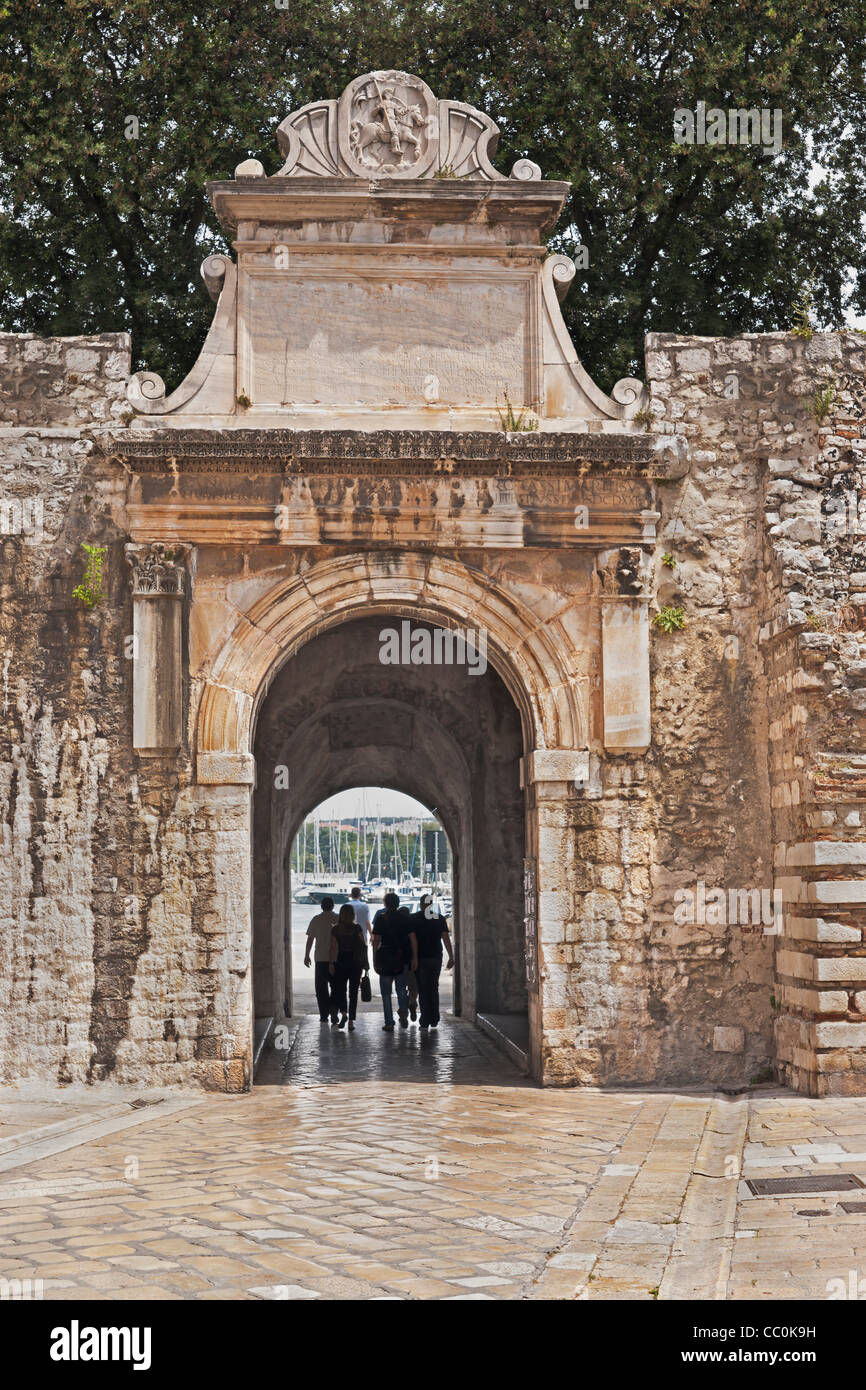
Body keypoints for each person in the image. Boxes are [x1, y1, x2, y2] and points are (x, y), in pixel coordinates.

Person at [371, 892, 417, 1031]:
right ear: (398, 903)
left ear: (385, 904)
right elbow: (413, 938)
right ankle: (403, 1011)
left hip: (385, 958)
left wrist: (374, 958)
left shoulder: (380, 918)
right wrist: (414, 957)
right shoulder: (405, 919)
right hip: (401, 958)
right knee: (401, 989)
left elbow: (376, 940)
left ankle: (389, 1022)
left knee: (386, 993)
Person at [409, 893, 454, 1031]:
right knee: (433, 988)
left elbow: (413, 940)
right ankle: (434, 1018)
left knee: (423, 989)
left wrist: (414, 958)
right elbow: (445, 938)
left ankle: (424, 1020)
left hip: (421, 958)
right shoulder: (439, 918)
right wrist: (451, 956)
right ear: (431, 904)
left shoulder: (414, 918)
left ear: (421, 904)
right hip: (435, 957)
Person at [329, 903, 369, 1031]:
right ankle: (351, 1021)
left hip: (341, 961)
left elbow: (333, 948)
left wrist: (331, 963)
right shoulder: (357, 928)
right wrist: (363, 965)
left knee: (341, 990)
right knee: (353, 993)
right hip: (355, 962)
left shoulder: (335, 929)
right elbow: (363, 946)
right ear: (352, 915)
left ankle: (344, 1013)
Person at [304, 896, 339, 1023]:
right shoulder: (338, 918)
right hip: (335, 958)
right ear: (333, 906)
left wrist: (306, 955)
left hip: (320, 958)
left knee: (321, 988)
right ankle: (334, 1009)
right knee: (335, 986)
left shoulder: (316, 919)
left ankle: (324, 1015)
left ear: (321, 906)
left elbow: (310, 939)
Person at [398, 904, 419, 1021]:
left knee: (400, 988)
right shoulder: (412, 925)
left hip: (399, 962)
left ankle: (403, 1010)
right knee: (413, 986)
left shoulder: (396, 926)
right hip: (412, 961)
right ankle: (412, 1002)